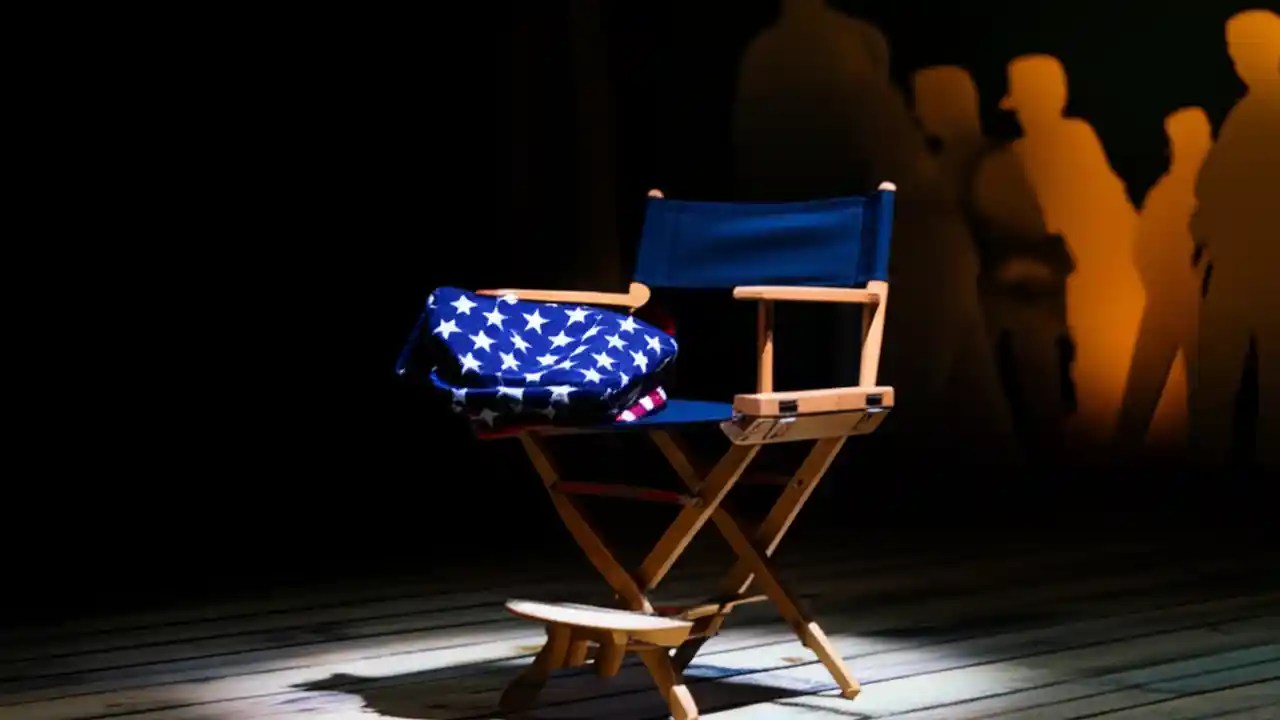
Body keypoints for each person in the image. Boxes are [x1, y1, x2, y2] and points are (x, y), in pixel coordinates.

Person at [1189, 10, 1280, 470]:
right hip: (1236, 268)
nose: (1238, 60)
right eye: (1234, 51)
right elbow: (1211, 188)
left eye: (1246, 49)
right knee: (1220, 378)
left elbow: (1217, 187)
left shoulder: (1260, 113)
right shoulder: (1246, 113)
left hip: (1260, 270)